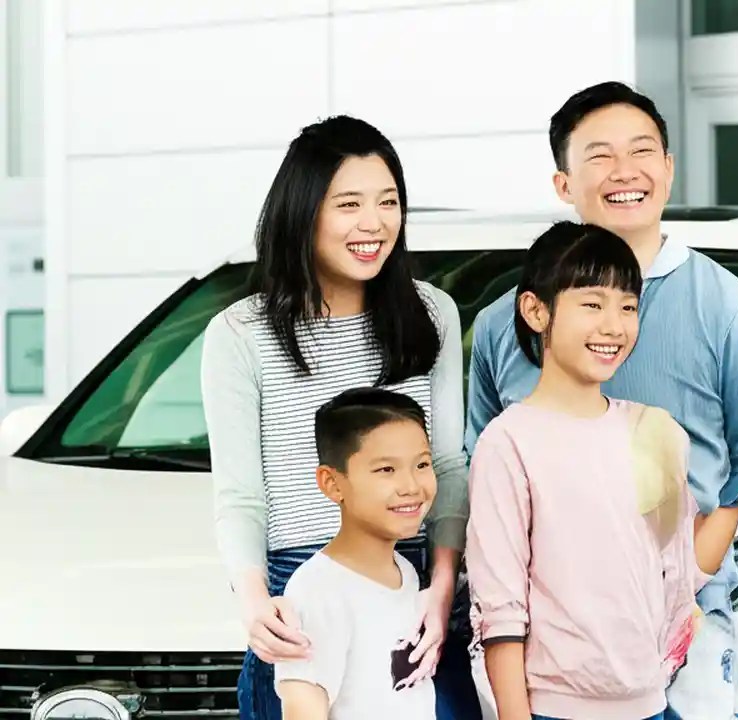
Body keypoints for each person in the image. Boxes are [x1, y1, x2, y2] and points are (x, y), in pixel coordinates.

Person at [465, 81, 738, 718]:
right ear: (563, 183)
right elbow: (479, 483)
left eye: (642, 151)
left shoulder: (732, 311)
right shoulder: (505, 322)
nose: (625, 173)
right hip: (544, 658)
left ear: (669, 170)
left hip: (683, 629)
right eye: (599, 156)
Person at [201, 115, 479, 720]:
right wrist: (254, 602)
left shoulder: (432, 312)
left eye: (388, 201)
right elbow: (241, 494)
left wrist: (441, 582)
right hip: (301, 584)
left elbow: (451, 465)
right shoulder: (240, 334)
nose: (373, 223)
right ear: (303, 214)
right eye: (348, 204)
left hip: (416, 584)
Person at [467, 221, 704, 720]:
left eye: (628, 307)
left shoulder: (655, 431)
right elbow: (500, 609)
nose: (614, 326)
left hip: (651, 704)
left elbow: (676, 570)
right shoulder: (509, 442)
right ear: (536, 310)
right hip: (555, 709)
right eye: (592, 304)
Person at [275, 387, 440, 719]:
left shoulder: (404, 573)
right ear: (332, 483)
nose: (411, 485)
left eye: (422, 464)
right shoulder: (318, 591)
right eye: (386, 470)